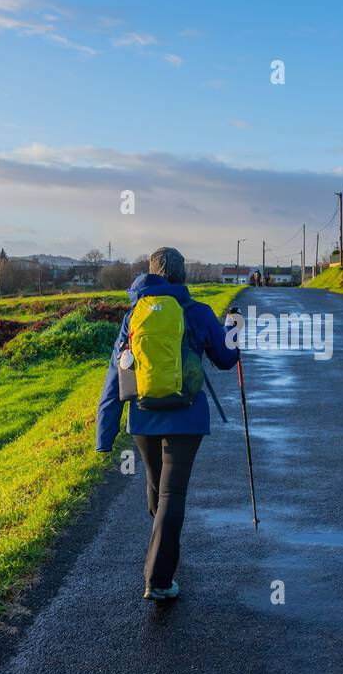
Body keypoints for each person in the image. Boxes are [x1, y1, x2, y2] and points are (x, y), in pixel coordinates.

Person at [95, 247, 239, 602]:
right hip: (186, 418)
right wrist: (234, 330)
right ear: (183, 274)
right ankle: (159, 579)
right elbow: (225, 359)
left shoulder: (134, 316)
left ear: (153, 274)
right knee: (173, 493)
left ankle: (163, 545)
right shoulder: (199, 313)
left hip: (144, 418)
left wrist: (105, 433)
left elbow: (116, 374)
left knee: (156, 486)